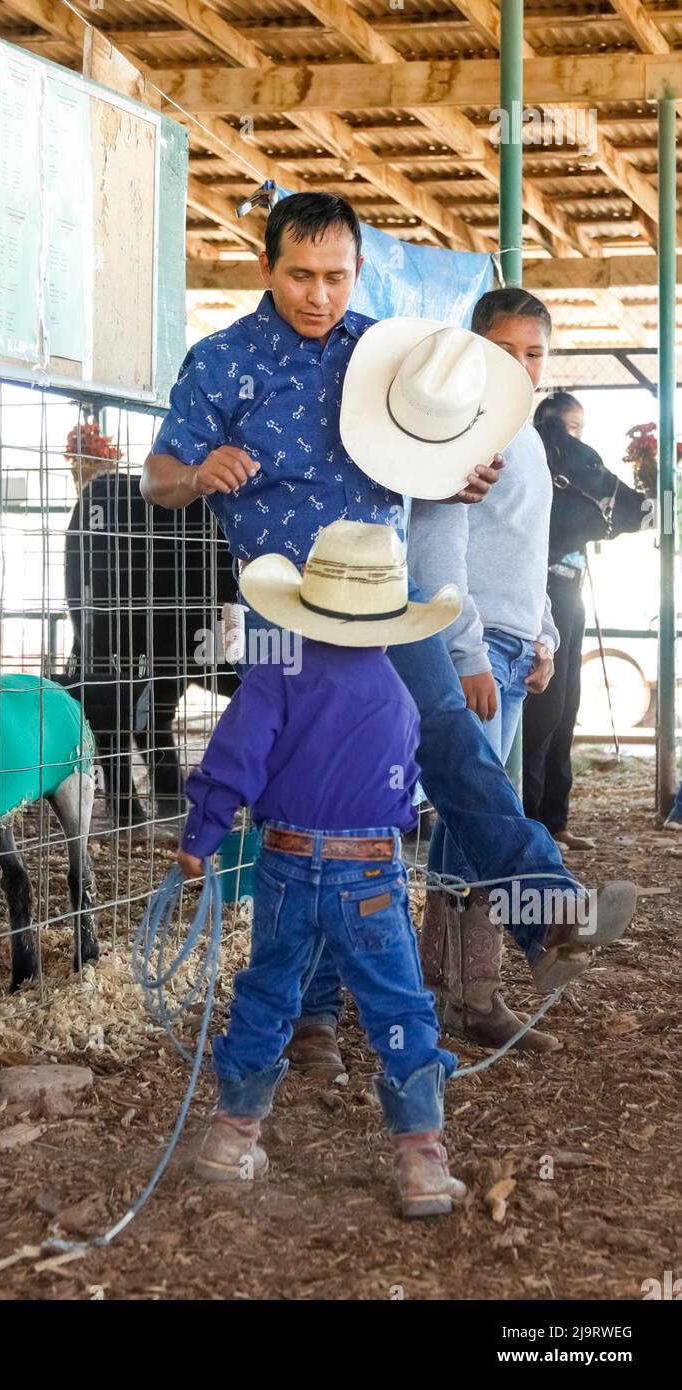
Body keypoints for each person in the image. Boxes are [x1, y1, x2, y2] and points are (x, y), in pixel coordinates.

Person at [143, 191, 636, 1077]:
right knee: (307, 804)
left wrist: (455, 480)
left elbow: (425, 463)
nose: (318, 294)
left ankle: (549, 911)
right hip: (279, 605)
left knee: (451, 743)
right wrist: (197, 473)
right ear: (266, 267)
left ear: (356, 273)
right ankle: (309, 1019)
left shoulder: (383, 351)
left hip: (383, 592)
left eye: (335, 277)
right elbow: (157, 478)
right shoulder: (219, 362)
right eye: (299, 274)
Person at [177, 521, 465, 1217]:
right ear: (391, 618)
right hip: (367, 871)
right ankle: (421, 1162)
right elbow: (404, 797)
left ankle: (228, 1137)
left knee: (268, 988)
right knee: (396, 1003)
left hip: (281, 862)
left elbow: (236, 752)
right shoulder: (397, 695)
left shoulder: (277, 671)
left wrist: (202, 832)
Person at [409, 288, 562, 1053]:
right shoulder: (462, 432)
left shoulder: (524, 435)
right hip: (475, 648)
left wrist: (546, 634)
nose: (520, 366)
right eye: (503, 351)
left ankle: (459, 993)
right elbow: (436, 556)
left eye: (532, 353)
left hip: (512, 644)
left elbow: (522, 555)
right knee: (473, 814)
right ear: (474, 353)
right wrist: (466, 652)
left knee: (466, 827)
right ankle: (468, 993)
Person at [523, 392, 596, 852]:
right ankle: (531, 822)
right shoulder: (538, 466)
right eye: (570, 428)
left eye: (581, 429)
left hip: (572, 592)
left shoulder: (579, 475)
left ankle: (556, 819)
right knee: (542, 709)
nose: (576, 438)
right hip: (541, 590)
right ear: (548, 427)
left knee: (567, 703)